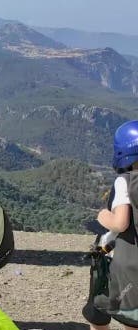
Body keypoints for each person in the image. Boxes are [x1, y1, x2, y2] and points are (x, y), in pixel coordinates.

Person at [83, 120, 138, 330]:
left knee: (99, 311)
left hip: (121, 263)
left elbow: (120, 223)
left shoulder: (125, 181)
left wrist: (103, 215)